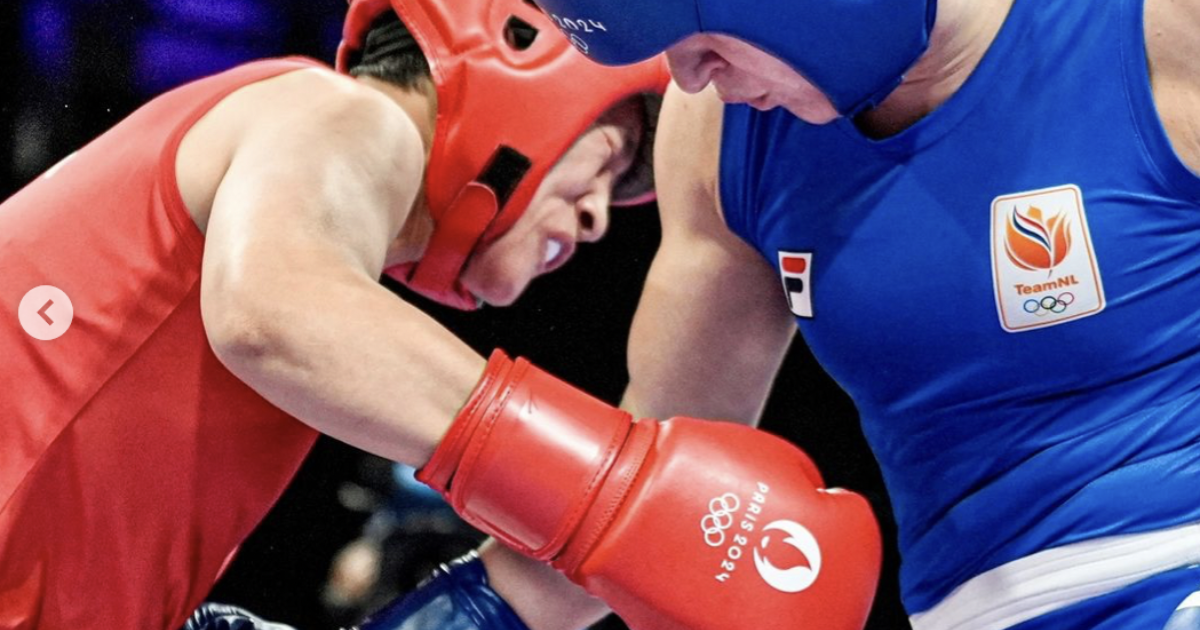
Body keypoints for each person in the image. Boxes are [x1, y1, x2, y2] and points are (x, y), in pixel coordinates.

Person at [0, 0, 884, 629]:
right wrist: (629, 496)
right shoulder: (330, 109)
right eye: (611, 165)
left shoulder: (312, 324)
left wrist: (615, 547)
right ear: (519, 46)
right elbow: (273, 316)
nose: (595, 218)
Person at [525, 0, 1200, 629]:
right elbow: (643, 496)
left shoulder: (1158, 27)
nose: (691, 75)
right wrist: (463, 609)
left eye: (698, 31)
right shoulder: (721, 135)